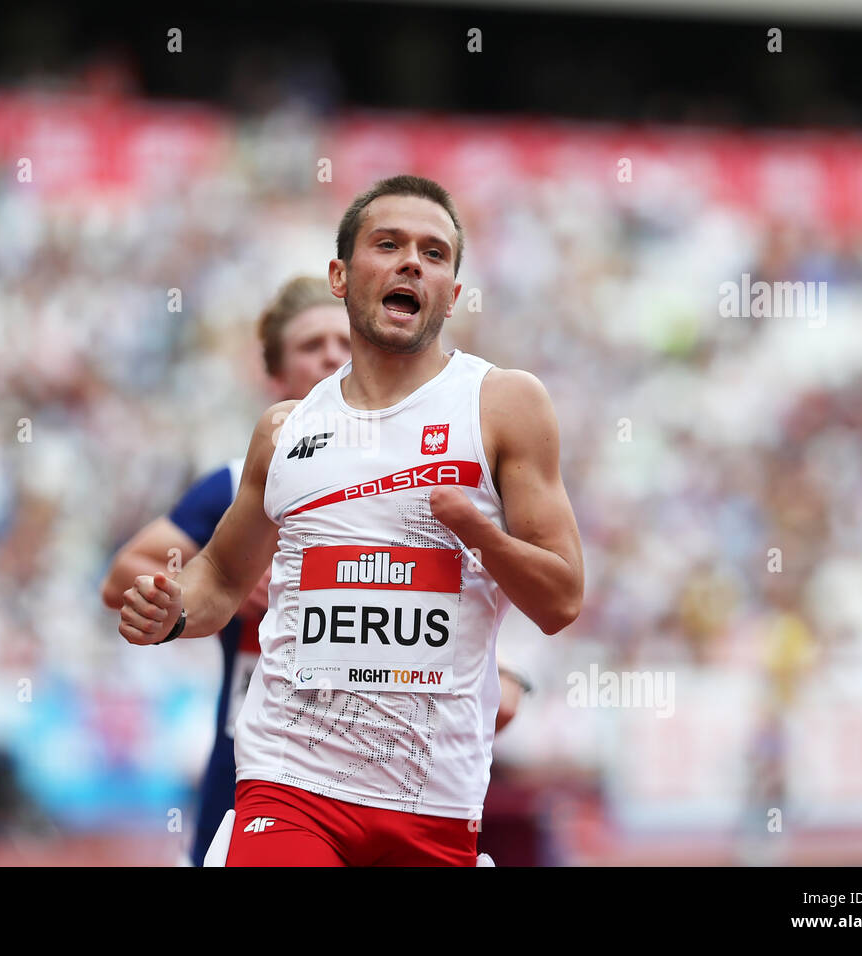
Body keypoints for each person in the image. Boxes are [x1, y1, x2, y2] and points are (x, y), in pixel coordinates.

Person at [119, 175, 582, 866]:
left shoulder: (503, 405)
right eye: (388, 244)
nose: (411, 263)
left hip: (431, 797)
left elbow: (561, 599)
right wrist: (172, 609)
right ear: (340, 275)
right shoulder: (283, 431)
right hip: (289, 781)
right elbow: (218, 574)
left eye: (434, 252)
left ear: (452, 292)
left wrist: (483, 535)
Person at [102, 276, 351, 865]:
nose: (333, 356)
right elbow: (122, 576)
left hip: (368, 746)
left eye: (344, 341)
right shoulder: (239, 479)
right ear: (277, 375)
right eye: (311, 345)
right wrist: (230, 584)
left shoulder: (414, 466)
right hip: (255, 743)